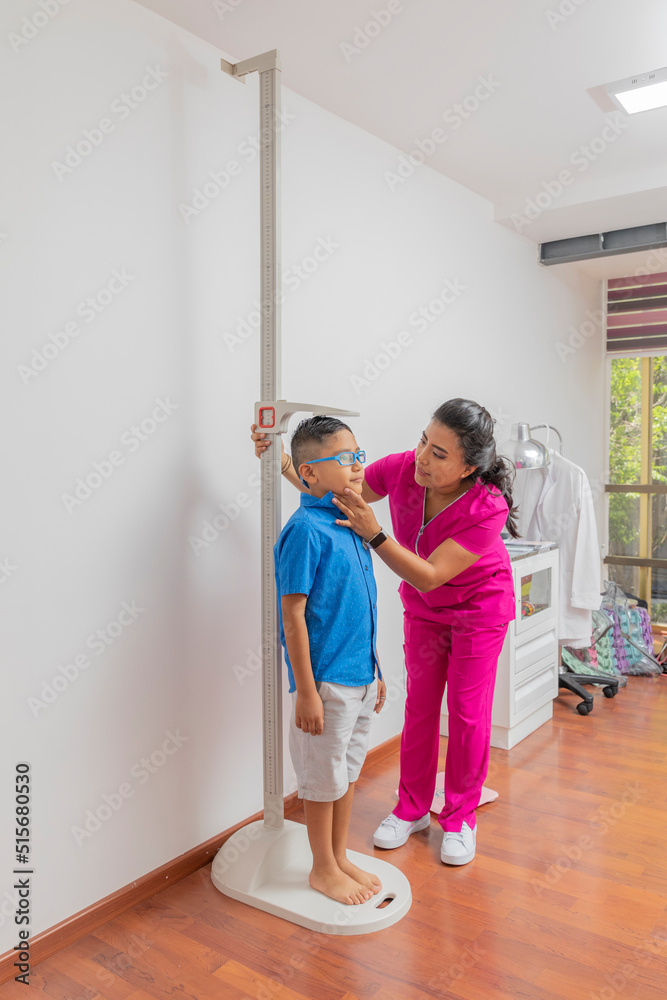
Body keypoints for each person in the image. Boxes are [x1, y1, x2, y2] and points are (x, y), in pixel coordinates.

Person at [253, 398, 516, 867]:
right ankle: (411, 808)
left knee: (467, 713)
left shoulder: (487, 506)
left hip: (478, 608)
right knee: (418, 708)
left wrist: (375, 534)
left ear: (468, 467)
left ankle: (458, 817)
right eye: (423, 441)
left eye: (439, 454)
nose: (422, 457)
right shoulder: (401, 470)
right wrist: (282, 460)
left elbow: (432, 574)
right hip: (425, 610)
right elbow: (335, 489)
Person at [274, 415, 387, 905]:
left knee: (348, 773)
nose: (358, 465)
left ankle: (339, 857)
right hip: (326, 685)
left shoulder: (351, 518)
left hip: (360, 677)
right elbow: (293, 616)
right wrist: (305, 691)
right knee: (322, 781)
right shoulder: (304, 531)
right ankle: (321, 869)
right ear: (310, 474)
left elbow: (362, 603)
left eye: (359, 455)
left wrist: (377, 670)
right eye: (344, 458)